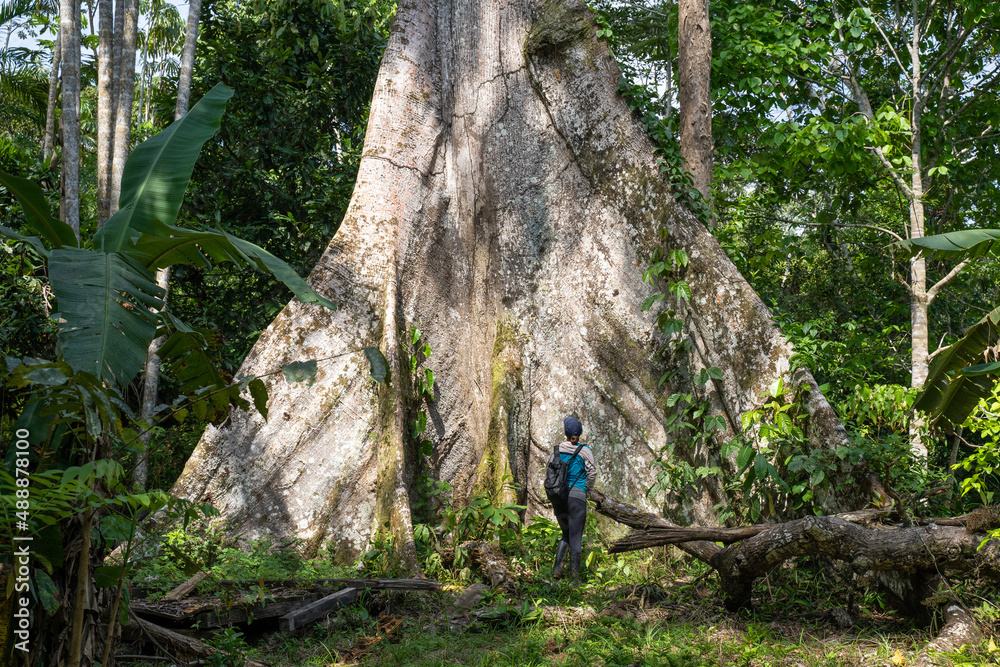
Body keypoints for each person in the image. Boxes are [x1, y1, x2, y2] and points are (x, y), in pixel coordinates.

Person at [550, 416, 596, 580]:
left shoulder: (556, 450)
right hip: (577, 497)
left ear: (566, 432)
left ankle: (557, 569)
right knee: (576, 536)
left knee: (566, 533)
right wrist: (587, 489)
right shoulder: (584, 450)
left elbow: (550, 474)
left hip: (559, 499)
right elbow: (592, 473)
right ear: (579, 433)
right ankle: (575, 580)